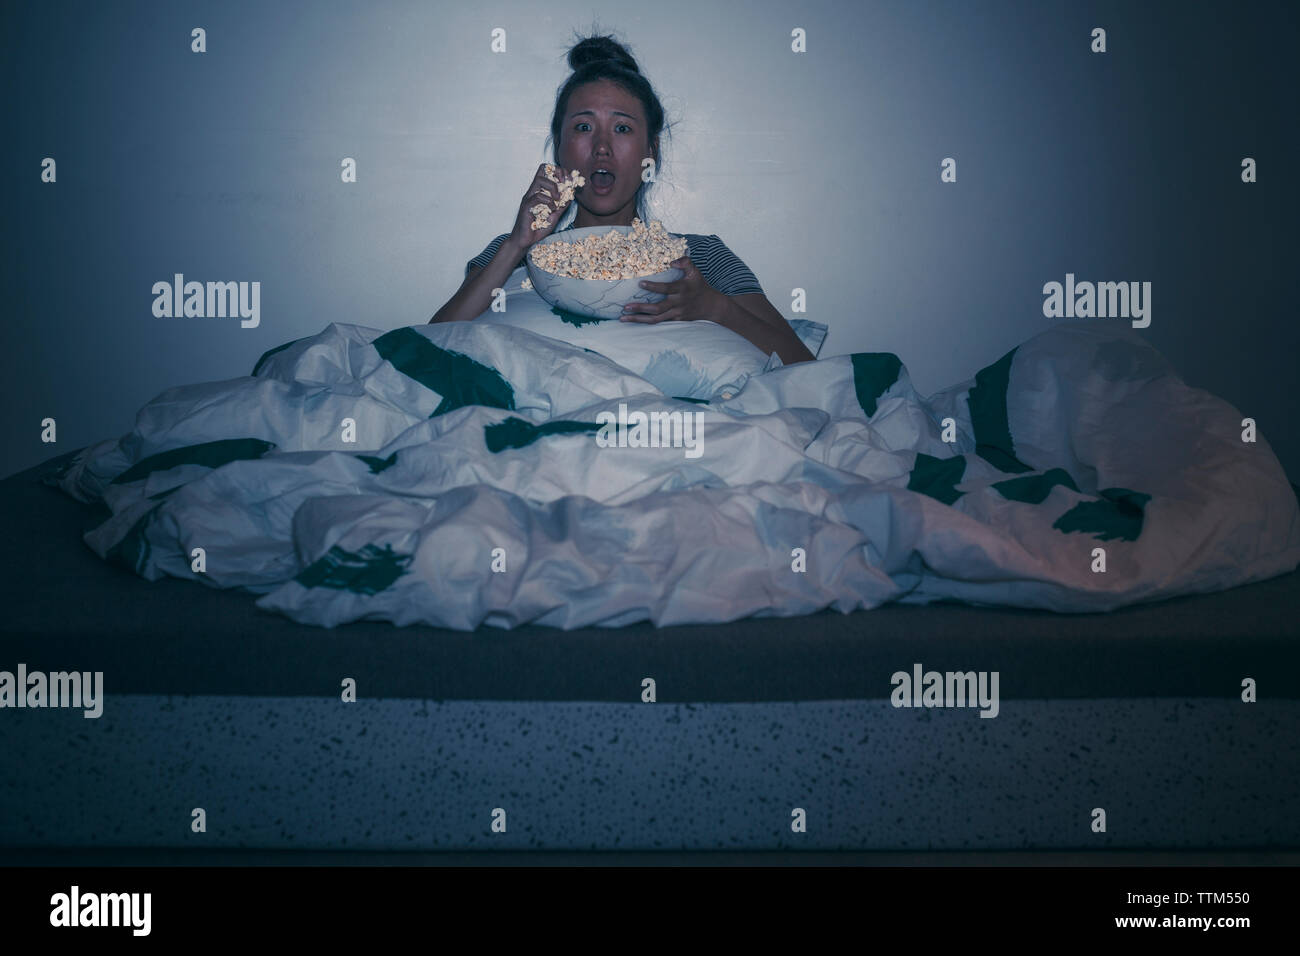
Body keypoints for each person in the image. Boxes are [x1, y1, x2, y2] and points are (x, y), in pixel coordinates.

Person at [430, 32, 815, 365]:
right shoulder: (512, 252)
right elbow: (431, 343)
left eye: (622, 128)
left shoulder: (700, 256)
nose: (601, 147)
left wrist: (713, 306)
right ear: (559, 148)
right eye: (583, 127)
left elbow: (803, 365)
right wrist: (517, 244)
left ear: (651, 150)